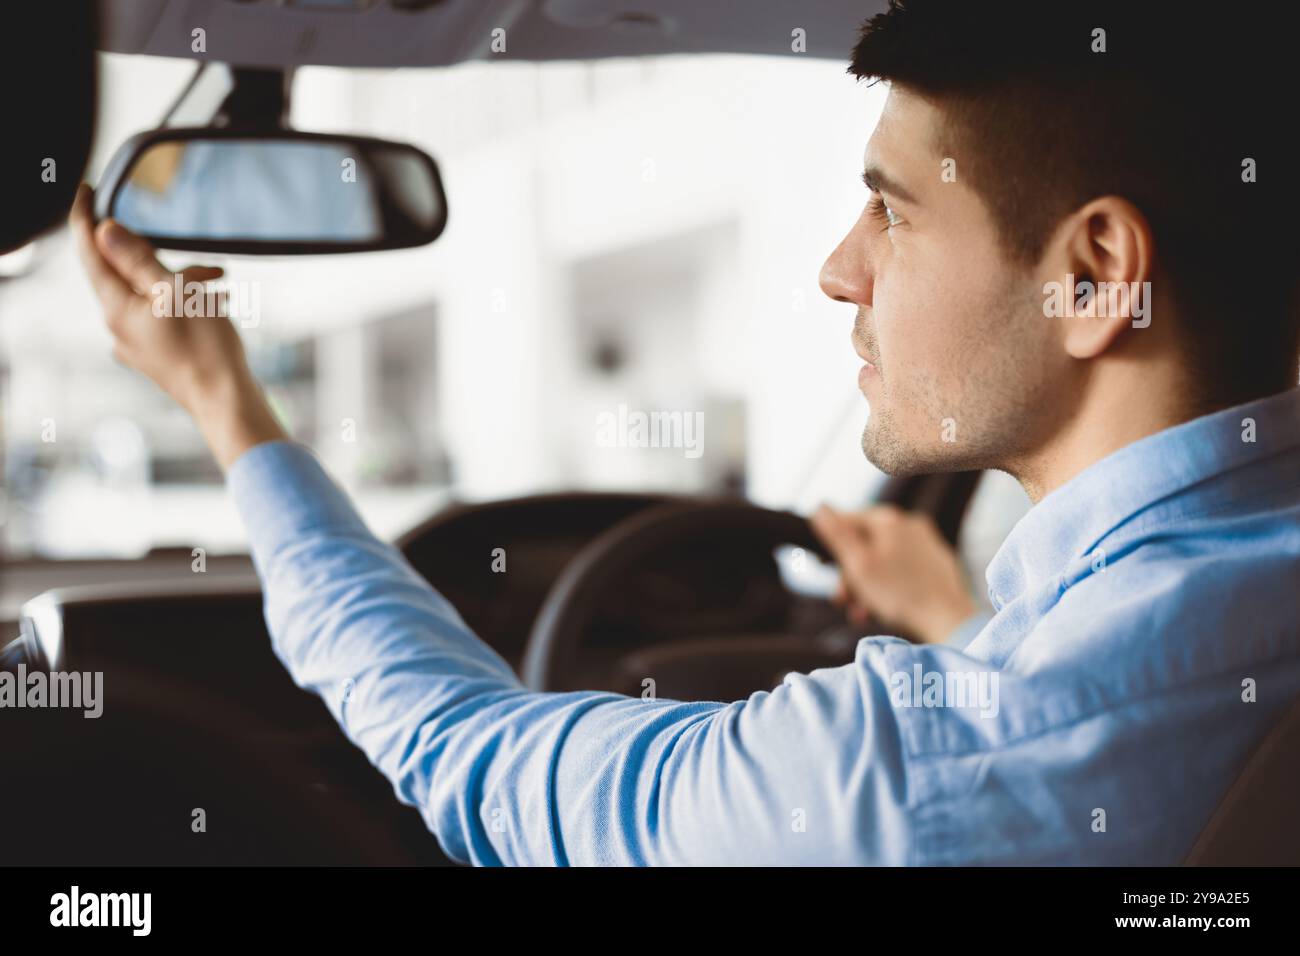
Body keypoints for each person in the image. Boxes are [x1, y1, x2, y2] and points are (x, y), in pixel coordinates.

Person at [72, 2, 1300, 865]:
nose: (839, 269)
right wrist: (956, 619)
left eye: (895, 214)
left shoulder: (905, 772)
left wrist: (227, 406)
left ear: (1091, 280)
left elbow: (462, 747)